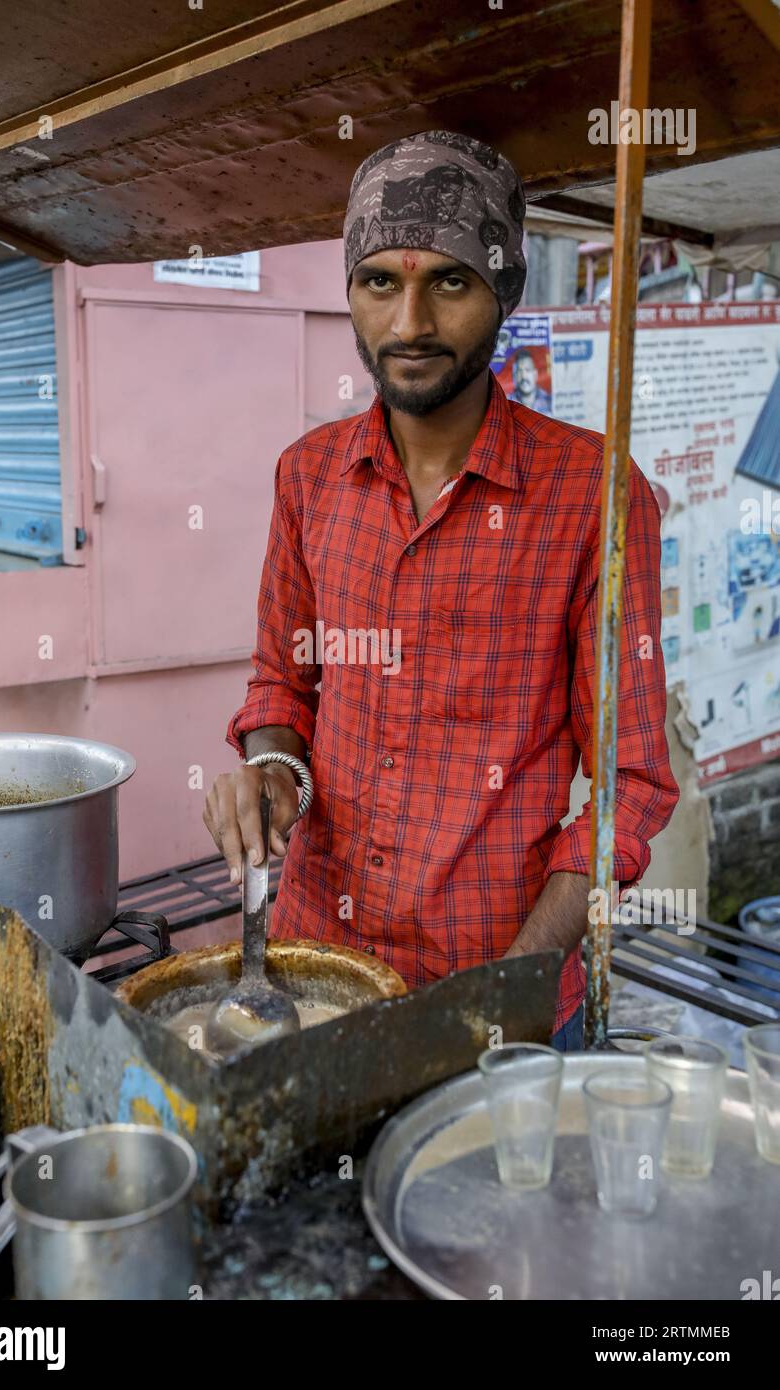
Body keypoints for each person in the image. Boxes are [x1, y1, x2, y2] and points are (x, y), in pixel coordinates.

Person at [204, 130, 679, 1052]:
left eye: (449, 282)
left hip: (500, 988)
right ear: (349, 291)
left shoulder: (596, 496)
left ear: (504, 290)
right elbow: (281, 686)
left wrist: (524, 973)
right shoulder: (308, 478)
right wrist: (275, 772)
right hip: (315, 973)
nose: (409, 322)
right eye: (380, 281)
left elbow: (631, 782)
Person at [509, 347, 552, 414]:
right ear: (514, 376)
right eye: (519, 371)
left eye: (528, 370)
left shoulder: (549, 401)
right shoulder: (506, 403)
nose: (523, 376)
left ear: (535, 375)